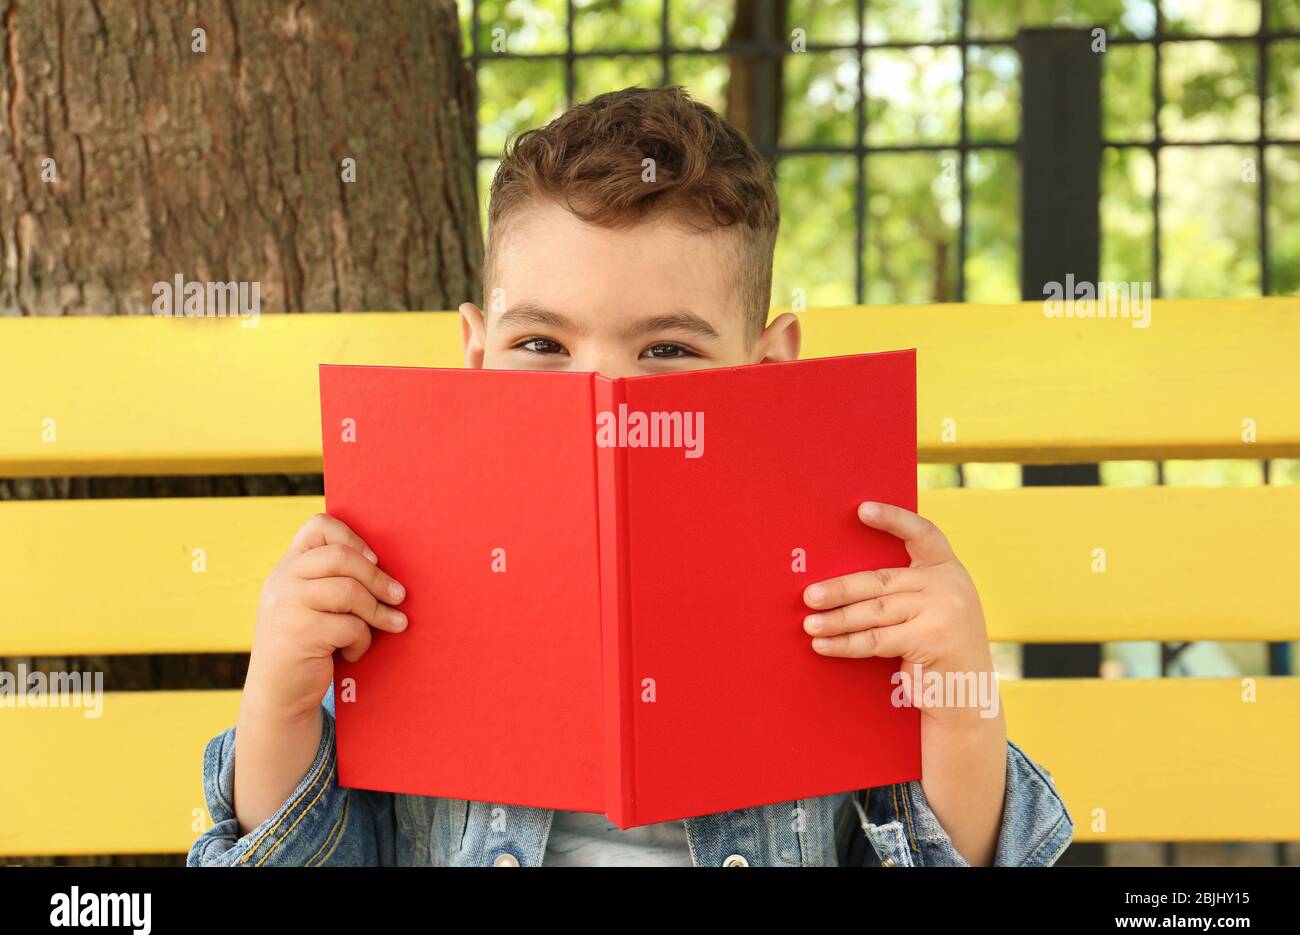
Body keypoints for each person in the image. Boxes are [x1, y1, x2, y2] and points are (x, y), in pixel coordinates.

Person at [188, 85, 1072, 867]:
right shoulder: (400, 575)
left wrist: (958, 702)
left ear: (769, 372)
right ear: (477, 356)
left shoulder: (843, 582)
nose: (602, 396)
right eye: (542, 344)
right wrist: (280, 698)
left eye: (667, 348)